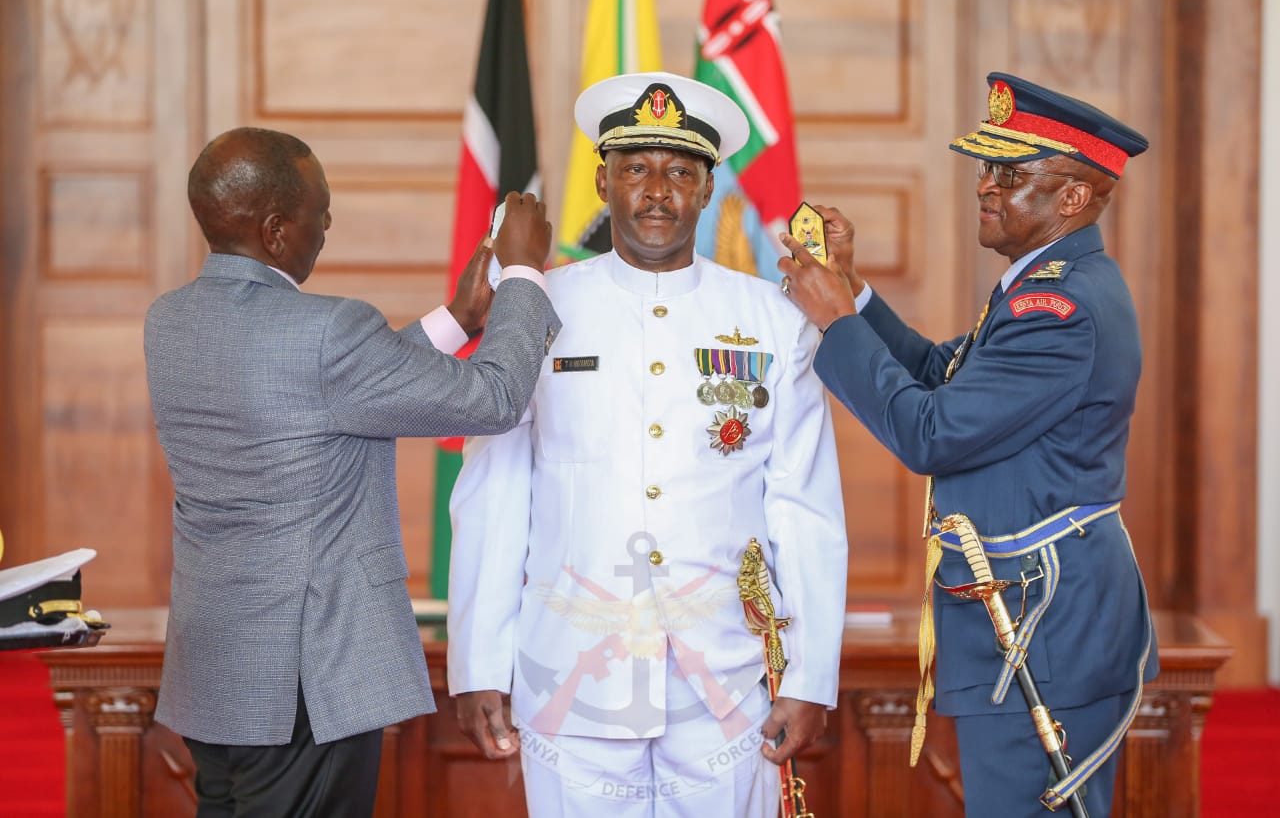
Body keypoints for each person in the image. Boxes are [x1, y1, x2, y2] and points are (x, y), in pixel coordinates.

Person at [447, 72, 847, 818]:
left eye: (679, 171)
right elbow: (495, 494)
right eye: (636, 168)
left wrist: (809, 674)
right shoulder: (535, 308)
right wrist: (477, 662)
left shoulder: (771, 318)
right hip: (571, 672)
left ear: (707, 188)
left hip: (730, 678)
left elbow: (803, 506)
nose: (657, 190)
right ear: (603, 182)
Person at [144, 126, 560, 817]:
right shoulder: (327, 332)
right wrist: (522, 273)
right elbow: (493, 399)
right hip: (309, 677)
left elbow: (318, 395)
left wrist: (457, 320)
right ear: (277, 229)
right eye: (320, 207)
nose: (329, 221)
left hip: (217, 669)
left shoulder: (171, 320)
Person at [779, 73, 1158, 816]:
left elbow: (932, 430)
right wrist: (851, 292)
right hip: (1033, 612)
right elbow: (940, 376)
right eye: (986, 168)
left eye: (1010, 174)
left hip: (1044, 627)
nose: (985, 186)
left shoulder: (1061, 306)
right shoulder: (1043, 286)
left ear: (1074, 196)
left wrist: (835, 327)